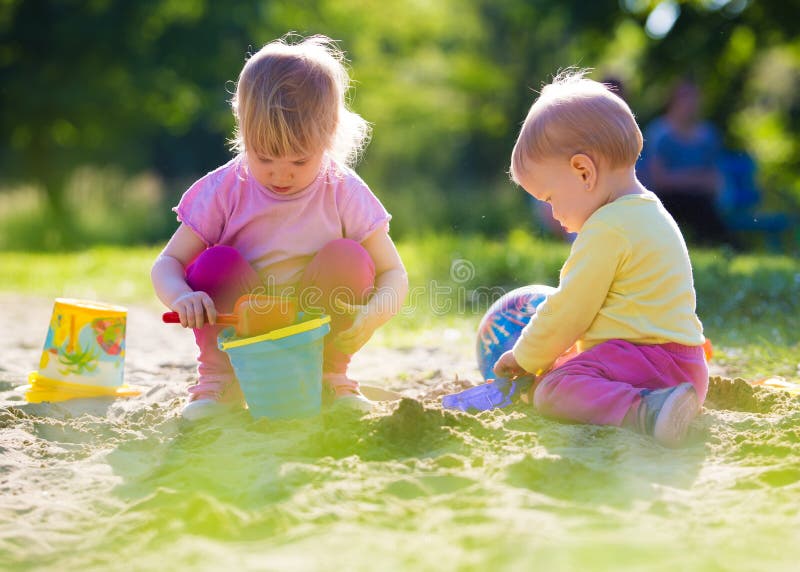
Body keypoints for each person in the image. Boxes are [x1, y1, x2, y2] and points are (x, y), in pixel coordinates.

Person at [151, 34, 408, 421]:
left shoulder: (344, 191)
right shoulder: (224, 189)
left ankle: (328, 376)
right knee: (214, 262)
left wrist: (373, 314)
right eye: (264, 156)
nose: (280, 173)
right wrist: (180, 297)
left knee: (349, 257)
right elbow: (167, 263)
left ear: (329, 136)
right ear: (242, 131)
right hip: (241, 330)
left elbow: (393, 273)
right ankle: (221, 381)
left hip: (316, 330)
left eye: (300, 161)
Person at [495, 70, 708, 447]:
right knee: (565, 370)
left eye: (549, 198)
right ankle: (665, 403)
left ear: (583, 171)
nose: (554, 214)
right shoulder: (649, 211)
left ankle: (648, 411)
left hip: (651, 366)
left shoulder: (606, 228)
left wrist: (526, 356)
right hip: (687, 367)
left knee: (555, 389)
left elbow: (570, 310)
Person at [641, 80, 737, 247]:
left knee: (704, 209)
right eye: (686, 99)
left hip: (700, 199)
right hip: (669, 199)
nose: (691, 105)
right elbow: (659, 180)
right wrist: (694, 179)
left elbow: (714, 180)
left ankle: (722, 248)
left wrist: (681, 178)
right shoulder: (660, 133)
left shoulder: (708, 135)